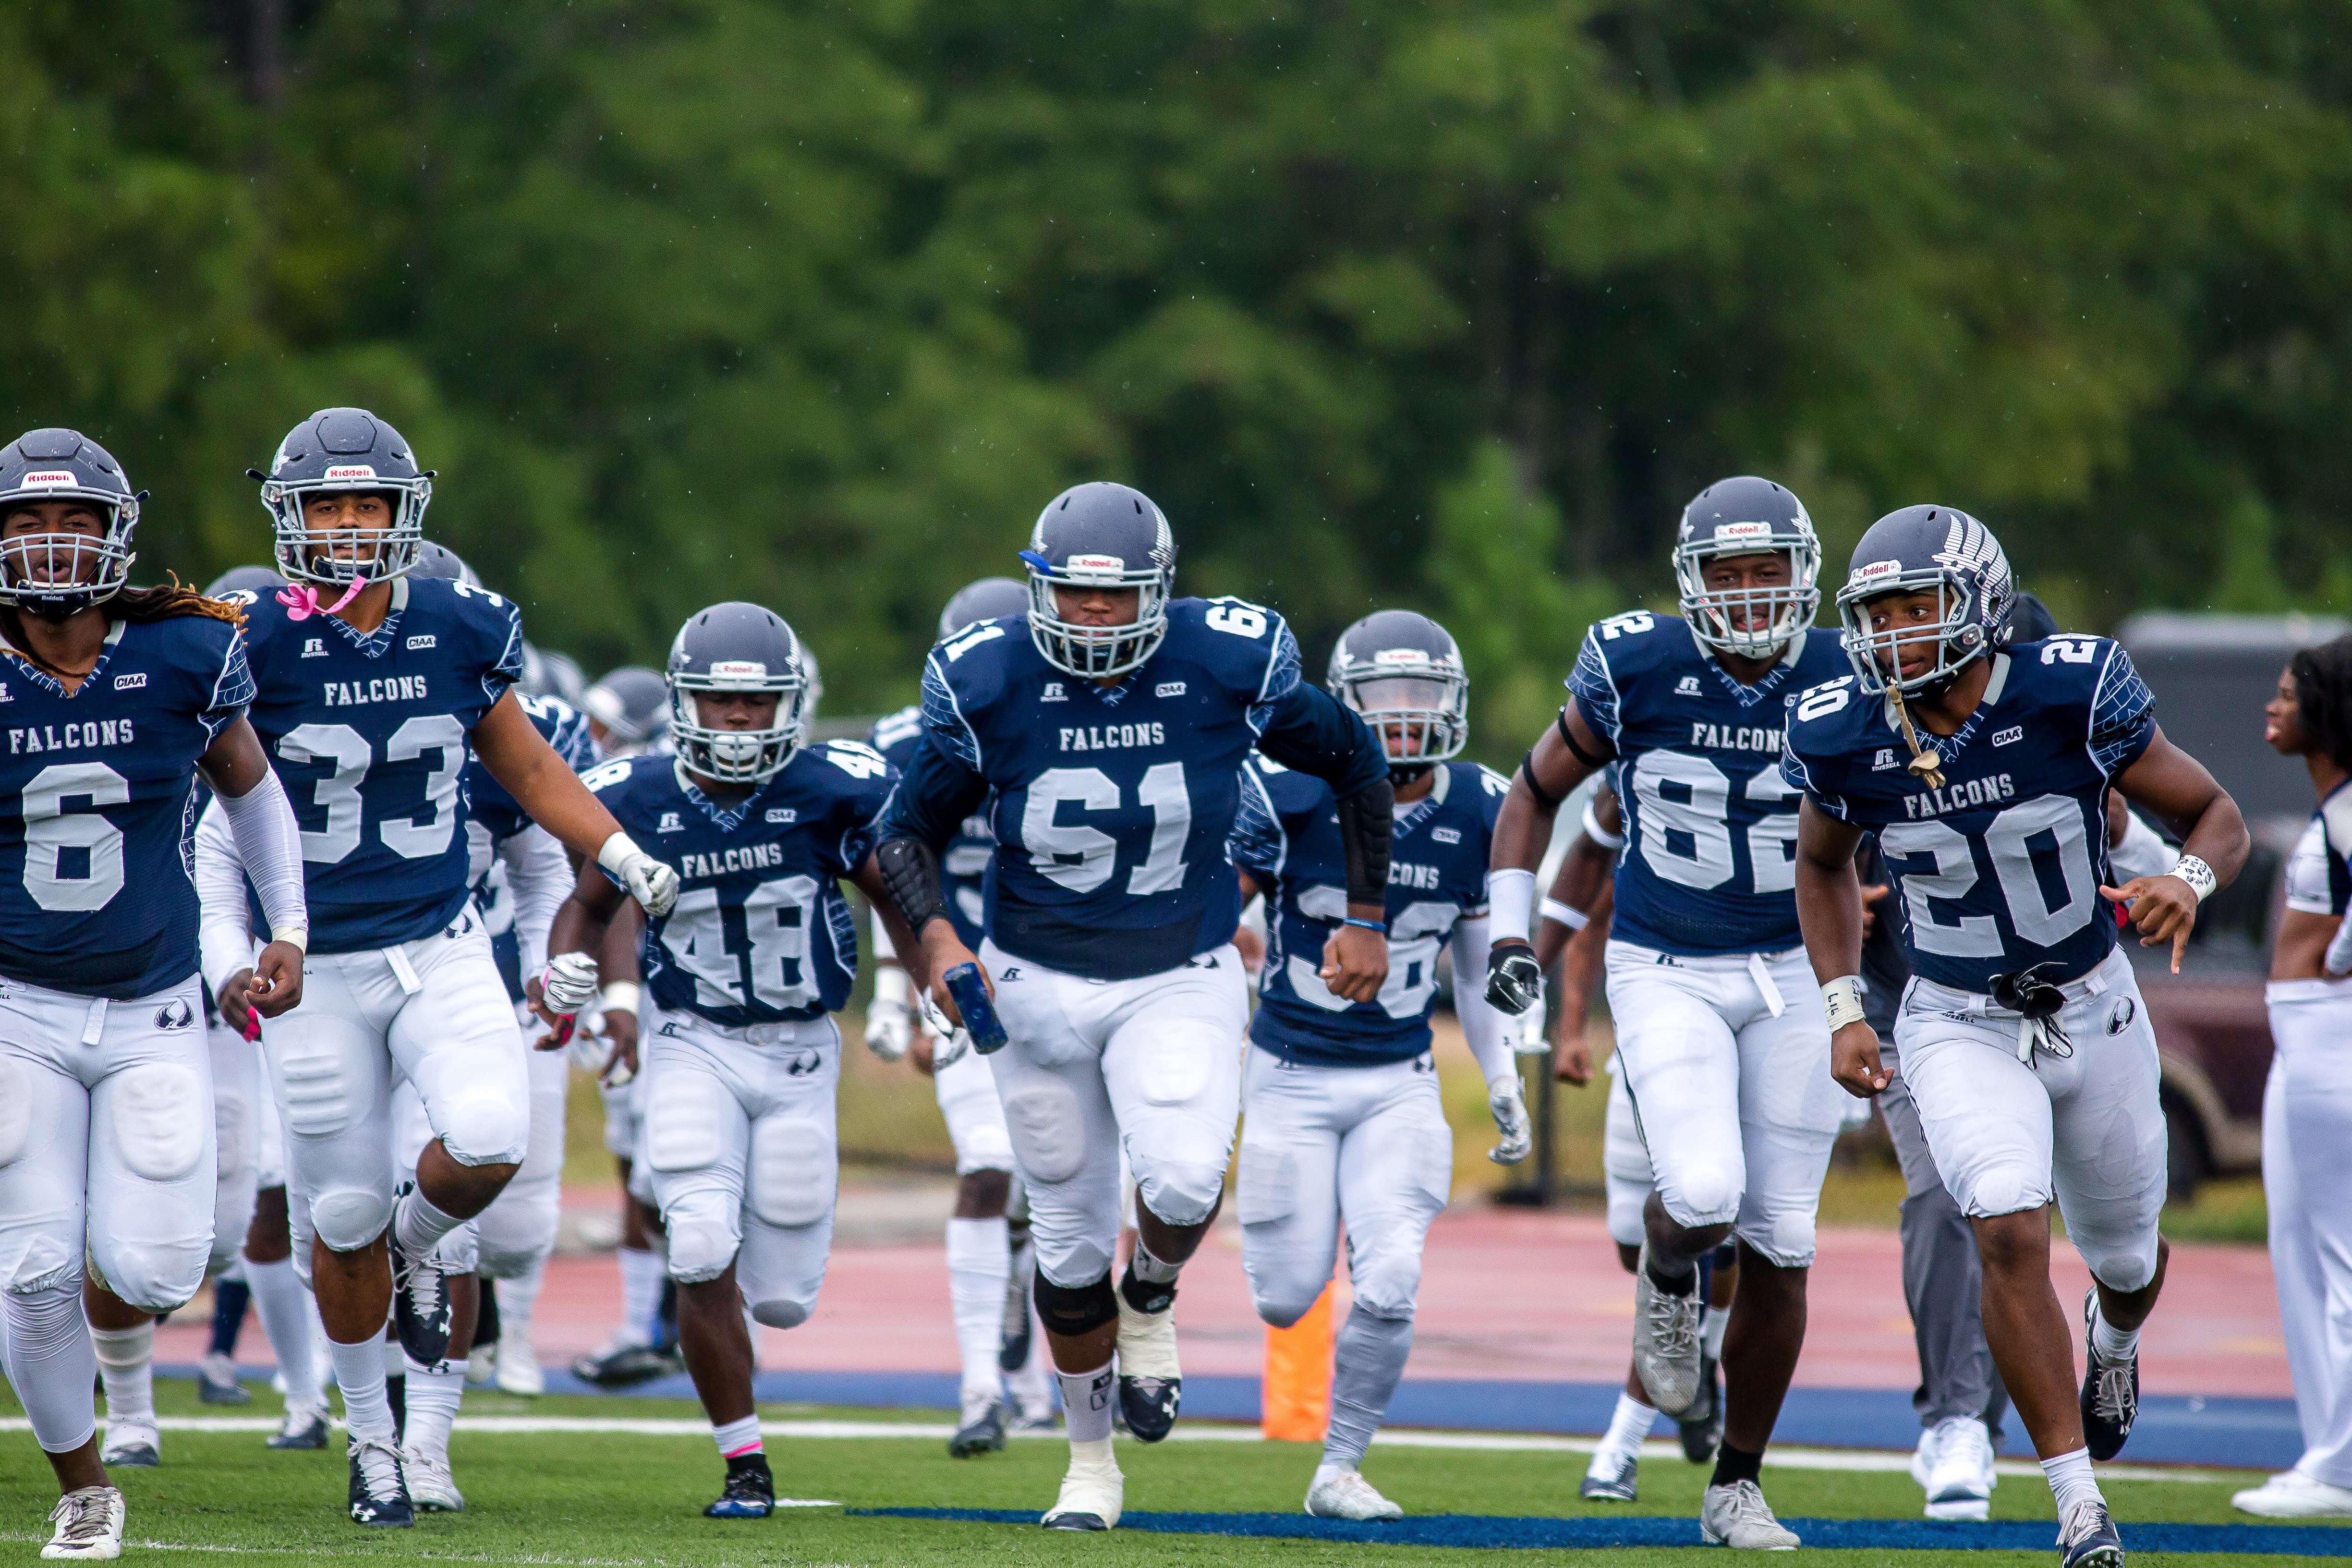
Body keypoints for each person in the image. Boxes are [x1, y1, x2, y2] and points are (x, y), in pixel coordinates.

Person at [873, 482, 1393, 1531]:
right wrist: (934, 939)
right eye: (1072, 595)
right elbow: (899, 831)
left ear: (1161, 592)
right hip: (1033, 980)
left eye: (1116, 599)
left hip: (1177, 966)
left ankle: (1149, 1294)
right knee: (1065, 1241)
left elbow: (1354, 757)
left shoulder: (1228, 661)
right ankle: (1089, 1464)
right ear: (1039, 590)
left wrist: (1366, 913)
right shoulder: (988, 676)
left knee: (1188, 1174)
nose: (1094, 616)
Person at [203, 406, 679, 1528]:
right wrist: (237, 953)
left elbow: (525, 763)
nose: (354, 525)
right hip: (315, 961)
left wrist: (614, 847)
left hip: (437, 941)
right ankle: (373, 1445)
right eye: (331, 505)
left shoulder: (461, 623)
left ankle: (419, 1252)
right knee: (345, 1207)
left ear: (405, 512)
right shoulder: (245, 637)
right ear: (293, 517)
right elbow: (213, 833)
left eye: (371, 504)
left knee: (490, 1140)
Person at [1785, 504, 2248, 1568]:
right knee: (2002, 1223)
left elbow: (2214, 813)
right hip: (1953, 1016)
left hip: (2093, 1000)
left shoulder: (2067, 689)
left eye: (1917, 607)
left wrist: (2184, 879)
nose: (1896, 634)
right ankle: (2077, 1505)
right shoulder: (1842, 726)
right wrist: (1844, 1005)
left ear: (1979, 604)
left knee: (2126, 1257)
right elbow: (1819, 865)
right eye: (1877, 614)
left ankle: (2115, 1339)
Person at [1483, 477, 1850, 1548]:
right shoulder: (1633, 664)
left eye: (1766, 573)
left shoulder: (1847, 670)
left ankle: (1735, 1483)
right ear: (1690, 582)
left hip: (1793, 968)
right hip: (1665, 961)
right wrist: (1516, 935)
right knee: (1697, 1188)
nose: (1747, 596)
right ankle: (1670, 1272)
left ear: (1802, 576)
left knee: (1784, 1239)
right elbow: (1529, 794)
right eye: (1726, 575)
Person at [0, 429, 310, 1560]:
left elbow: (254, 796)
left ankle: (77, 1241)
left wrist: (287, 925)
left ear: (115, 532)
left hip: (154, 1002)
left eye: (72, 521)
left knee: (155, 1267)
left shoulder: (184, 651)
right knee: (32, 1272)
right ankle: (83, 1488)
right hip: (15, 1005)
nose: (48, 544)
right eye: (26, 523)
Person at [545, 602, 921, 1519]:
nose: (740, 720)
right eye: (720, 702)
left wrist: (925, 985)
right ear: (685, 703)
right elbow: (590, 908)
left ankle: (743, 1363)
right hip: (693, 1039)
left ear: (792, 704)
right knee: (701, 1242)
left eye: (758, 704)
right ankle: (743, 1463)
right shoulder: (636, 792)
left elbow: (903, 893)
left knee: (785, 1301)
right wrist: (569, 969)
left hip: (800, 1050)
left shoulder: (837, 787)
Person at [1230, 609, 1530, 1520]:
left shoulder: (1482, 804)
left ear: (1455, 703)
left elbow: (1477, 968)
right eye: (1385, 698)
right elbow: (1215, 925)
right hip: (1285, 1071)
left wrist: (1504, 1070)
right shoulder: (1282, 788)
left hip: (1398, 1077)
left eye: (1423, 696)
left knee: (1393, 1278)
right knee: (1285, 1299)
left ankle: (1341, 1465)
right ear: (1342, 704)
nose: (1404, 717)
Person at [866, 574, 1057, 1456]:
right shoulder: (907, 744)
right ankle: (981, 1384)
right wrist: (889, 988)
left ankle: (1031, 1362)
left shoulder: (1064, 720)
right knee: (986, 1165)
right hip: (959, 984)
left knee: (1054, 1183)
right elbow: (884, 869)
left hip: (1061, 978)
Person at [1534, 786, 1741, 1498]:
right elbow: (1592, 918)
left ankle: (1628, 1433)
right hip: (1647, 1046)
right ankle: (1700, 1359)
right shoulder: (1637, 786)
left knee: (1708, 1226)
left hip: (1741, 1034)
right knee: (1640, 1245)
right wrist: (1569, 1028)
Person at [2234, 636, 2352, 1518]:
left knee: (2341, 1254)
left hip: (2332, 1040)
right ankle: (2326, 1450)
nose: (2271, 708)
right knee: (2293, 1244)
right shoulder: (2329, 804)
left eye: (2287, 695)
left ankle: (2342, 1465)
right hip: (2301, 1040)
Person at [571, 662, 682, 1388]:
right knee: (629, 1158)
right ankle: (645, 1323)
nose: (591, 741)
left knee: (668, 1166)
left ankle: (682, 1322)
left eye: (607, 730)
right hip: (623, 991)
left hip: (675, 998)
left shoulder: (668, 795)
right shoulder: (608, 794)